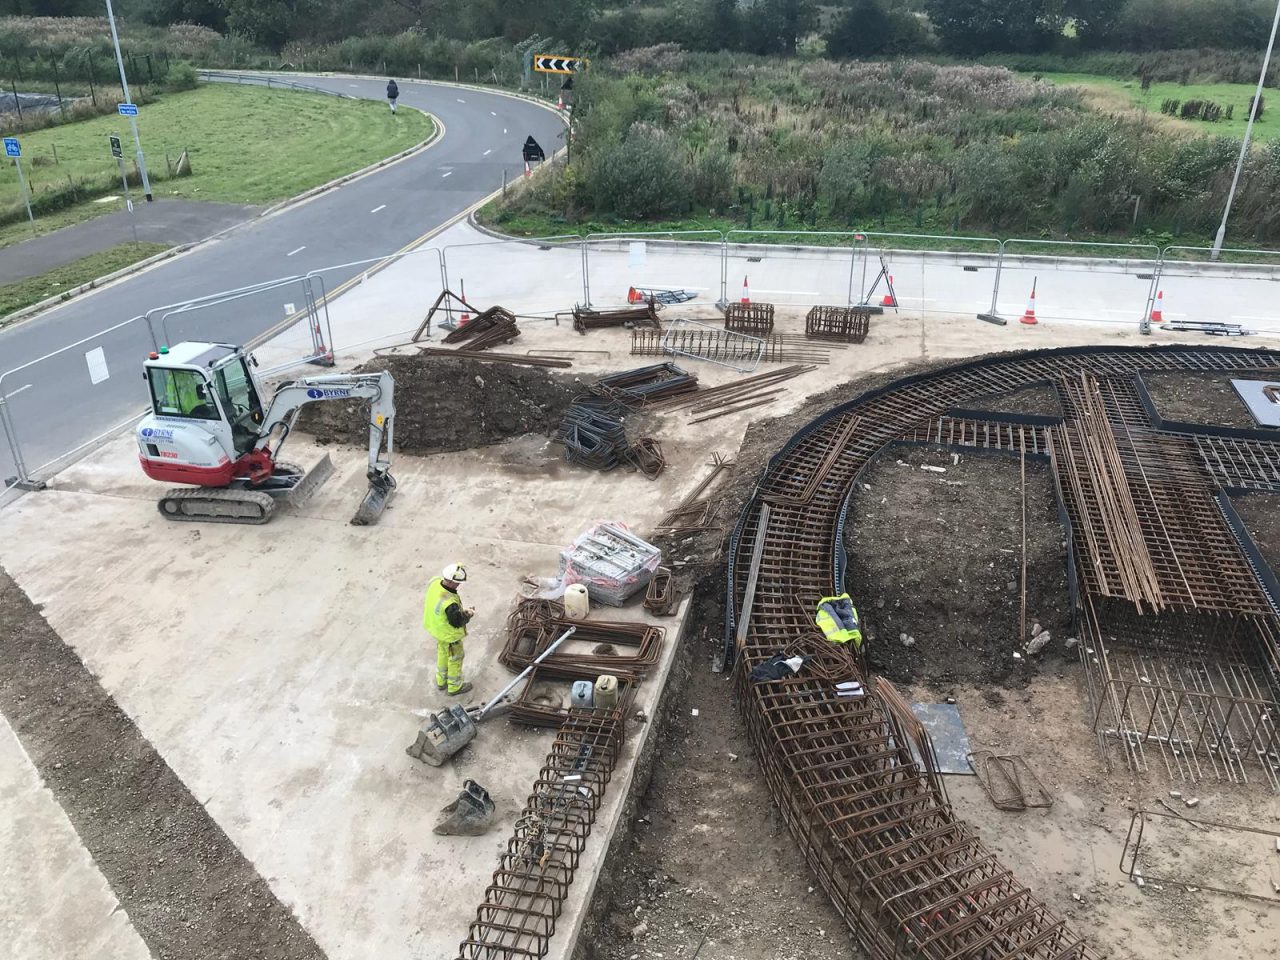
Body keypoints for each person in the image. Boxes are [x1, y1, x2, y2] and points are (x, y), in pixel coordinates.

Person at [424, 563, 474, 696]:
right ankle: (454, 686)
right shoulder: (449, 603)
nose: (459, 585)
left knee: (443, 653)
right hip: (450, 635)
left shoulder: (435, 583)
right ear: (451, 581)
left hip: (438, 630)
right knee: (455, 658)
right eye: (458, 583)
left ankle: (441, 681)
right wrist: (468, 614)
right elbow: (457, 622)